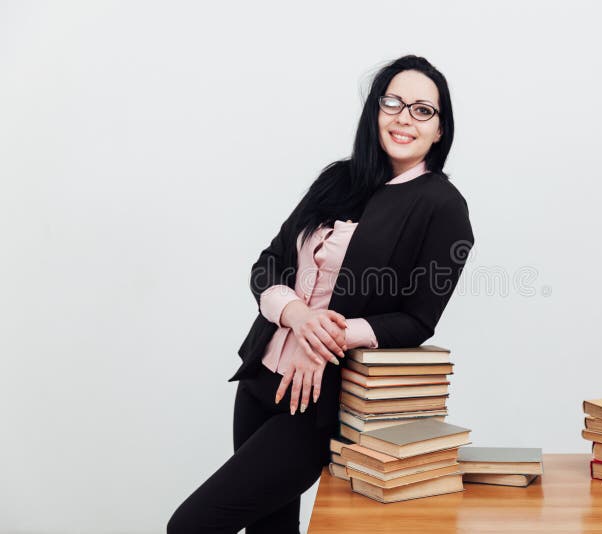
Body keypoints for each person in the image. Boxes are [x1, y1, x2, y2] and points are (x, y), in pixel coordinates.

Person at [167, 54, 474, 534]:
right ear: (374, 110)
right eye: (392, 102)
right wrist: (296, 314)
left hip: (316, 402)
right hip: (257, 381)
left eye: (422, 110)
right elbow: (267, 264)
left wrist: (329, 335)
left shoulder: (442, 206)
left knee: (191, 525)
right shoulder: (338, 179)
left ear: (440, 129)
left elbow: (418, 319)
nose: (404, 117)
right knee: (270, 530)